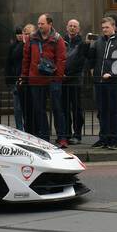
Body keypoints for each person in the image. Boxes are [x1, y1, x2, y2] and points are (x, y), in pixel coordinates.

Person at [20, 14, 68, 146]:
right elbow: (26, 59)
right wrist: (24, 76)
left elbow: (61, 59)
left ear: (50, 24)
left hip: (52, 80)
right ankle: (45, 137)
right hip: (35, 79)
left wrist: (57, 78)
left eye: (42, 24)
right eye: (39, 24)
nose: (40, 26)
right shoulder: (32, 38)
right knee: (39, 110)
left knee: (57, 108)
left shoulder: (57, 39)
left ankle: (62, 137)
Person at [86, 16, 117, 150]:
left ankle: (115, 139)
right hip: (99, 81)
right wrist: (87, 44)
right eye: (103, 27)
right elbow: (90, 57)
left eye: (107, 27)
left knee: (113, 111)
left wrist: (111, 73)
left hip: (113, 82)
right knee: (102, 111)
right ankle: (103, 138)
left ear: (113, 27)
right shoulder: (98, 41)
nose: (104, 30)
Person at [62, 19, 87, 144]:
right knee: (64, 108)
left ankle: (77, 134)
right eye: (70, 26)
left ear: (79, 29)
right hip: (63, 80)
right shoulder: (61, 41)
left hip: (75, 80)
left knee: (76, 108)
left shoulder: (81, 43)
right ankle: (66, 134)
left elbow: (80, 62)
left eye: (75, 26)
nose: (72, 28)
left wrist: (68, 74)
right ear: (67, 27)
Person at [6, 25, 31, 131]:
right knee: (17, 107)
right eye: (19, 34)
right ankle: (19, 129)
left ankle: (27, 128)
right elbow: (9, 62)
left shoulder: (28, 45)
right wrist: (8, 79)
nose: (20, 36)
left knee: (26, 107)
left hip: (26, 78)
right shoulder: (14, 47)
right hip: (16, 78)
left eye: (22, 34)